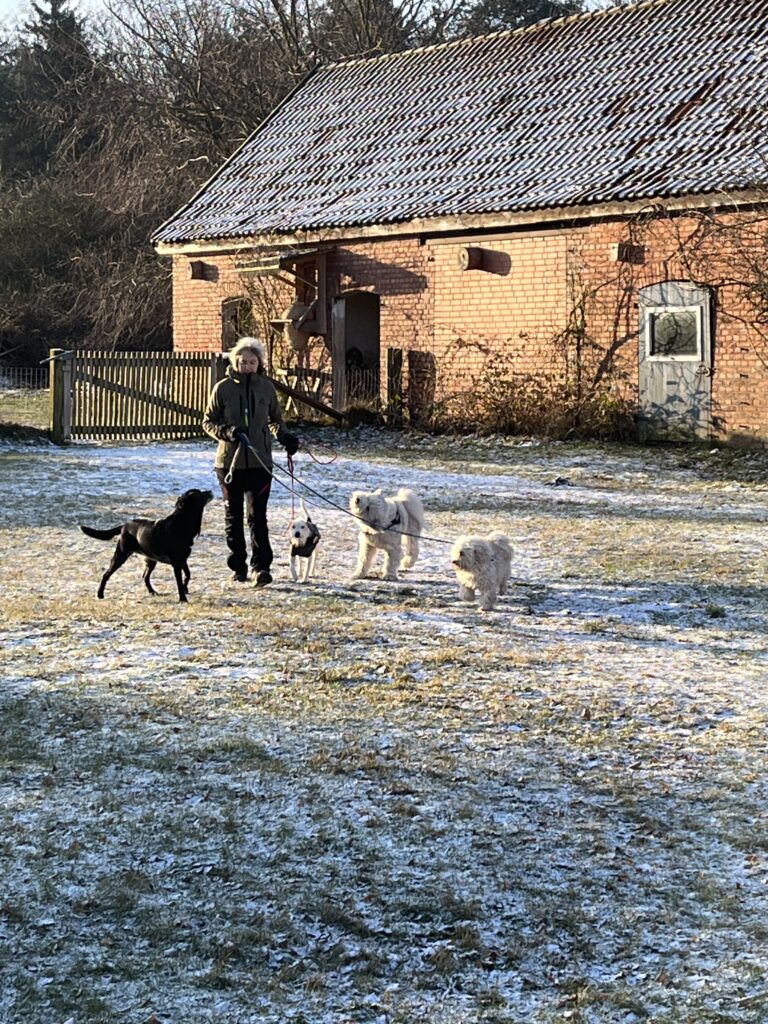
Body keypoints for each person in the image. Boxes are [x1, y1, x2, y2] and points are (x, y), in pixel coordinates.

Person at [203, 337, 299, 586]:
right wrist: (228, 432)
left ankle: (261, 567)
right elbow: (208, 422)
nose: (247, 365)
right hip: (229, 464)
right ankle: (238, 567)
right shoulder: (223, 388)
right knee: (233, 517)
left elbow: (276, 420)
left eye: (252, 362)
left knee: (258, 517)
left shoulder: (266, 388)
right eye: (243, 361)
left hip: (260, 462)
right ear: (235, 361)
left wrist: (286, 437)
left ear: (259, 364)